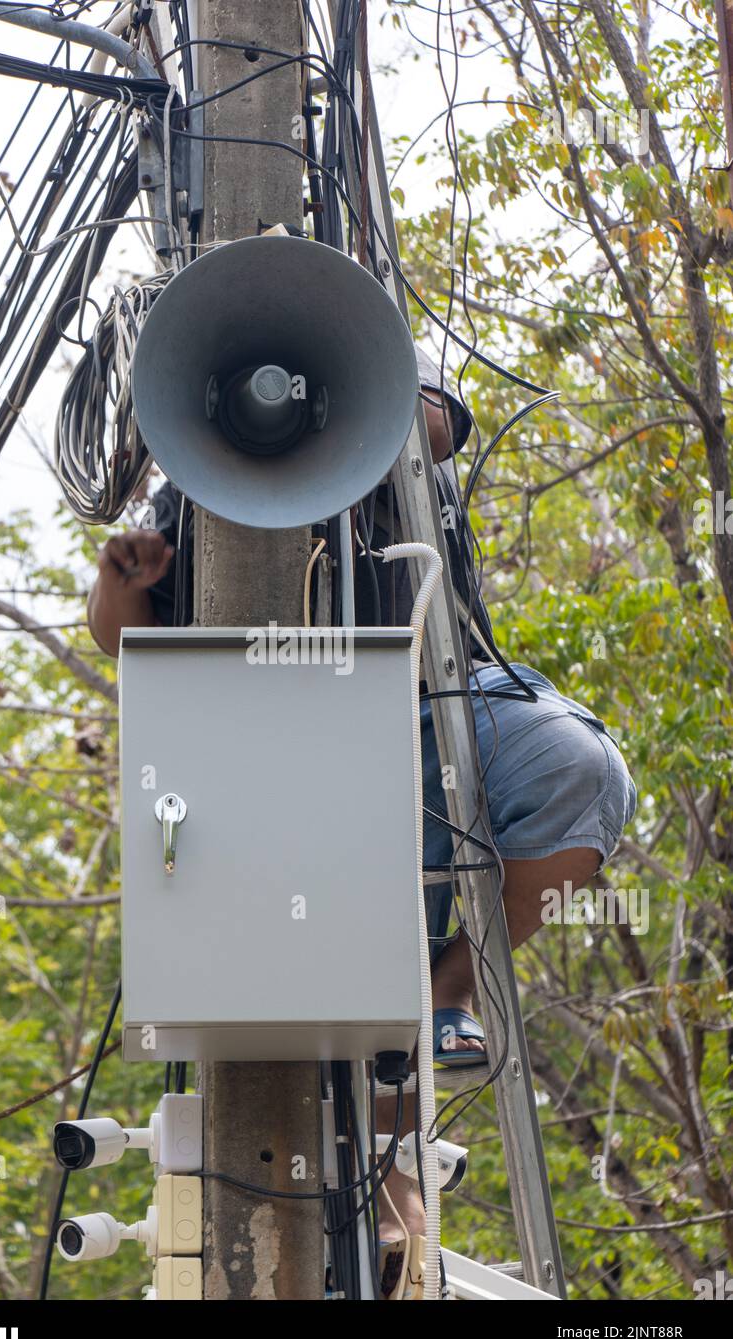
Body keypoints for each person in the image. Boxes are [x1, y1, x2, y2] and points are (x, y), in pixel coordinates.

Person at [87, 343, 637, 1246]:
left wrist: (334, 391)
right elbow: (121, 641)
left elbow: (442, 422)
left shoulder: (385, 426)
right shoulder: (196, 479)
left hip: (434, 706)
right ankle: (393, 1217)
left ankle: (447, 988)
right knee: (349, 980)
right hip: (282, 745)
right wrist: (123, 578)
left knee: (579, 768)